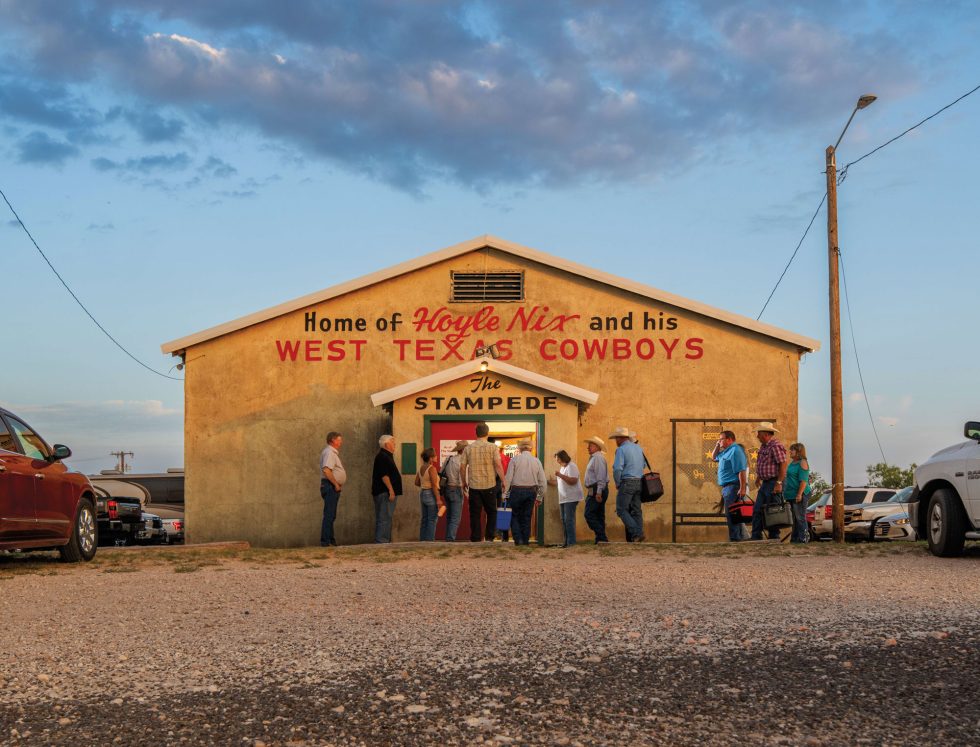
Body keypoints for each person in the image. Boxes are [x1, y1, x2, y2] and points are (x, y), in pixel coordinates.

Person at [461, 423, 506, 542]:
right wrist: (503, 481)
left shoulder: (468, 448)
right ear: (487, 433)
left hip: (474, 486)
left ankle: (475, 538)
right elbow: (498, 465)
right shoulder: (493, 447)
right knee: (492, 512)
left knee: (475, 514)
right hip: (489, 485)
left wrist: (463, 482)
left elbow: (462, 467)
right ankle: (489, 537)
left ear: (476, 433)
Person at [503, 438, 547, 545]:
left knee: (514, 515)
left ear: (520, 448)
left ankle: (518, 540)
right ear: (530, 449)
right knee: (527, 517)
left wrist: (504, 494)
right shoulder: (537, 461)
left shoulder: (514, 460)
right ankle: (525, 541)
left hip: (516, 491)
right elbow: (543, 482)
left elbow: (508, 478)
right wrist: (539, 497)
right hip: (531, 491)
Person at [752, 422, 788, 540]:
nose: (757, 436)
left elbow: (783, 464)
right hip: (766, 483)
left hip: (774, 482)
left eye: (759, 433)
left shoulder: (775, 446)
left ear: (766, 434)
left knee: (773, 510)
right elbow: (762, 463)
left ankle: (774, 537)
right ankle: (756, 536)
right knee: (758, 509)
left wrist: (779, 483)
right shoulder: (764, 446)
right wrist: (759, 477)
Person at [609, 426, 646, 542]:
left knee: (621, 509)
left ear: (620, 438)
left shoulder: (621, 450)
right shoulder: (638, 448)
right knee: (636, 510)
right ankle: (639, 534)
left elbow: (617, 469)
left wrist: (618, 482)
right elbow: (643, 465)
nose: (615, 441)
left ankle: (637, 532)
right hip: (639, 481)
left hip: (627, 481)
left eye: (616, 438)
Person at [711, 430, 748, 542]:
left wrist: (742, 488)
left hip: (733, 487)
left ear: (729, 439)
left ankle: (735, 539)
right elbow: (713, 457)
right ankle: (735, 538)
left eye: (721, 439)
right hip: (727, 488)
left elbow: (741, 470)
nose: (719, 441)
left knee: (732, 514)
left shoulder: (735, 450)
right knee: (730, 514)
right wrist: (717, 444)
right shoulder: (726, 451)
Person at [371, 435, 402, 543]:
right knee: (384, 518)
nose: (395, 444)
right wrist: (391, 490)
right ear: (387, 444)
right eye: (393, 442)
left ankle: (383, 540)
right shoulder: (383, 456)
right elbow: (384, 475)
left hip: (384, 492)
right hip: (384, 493)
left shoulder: (386, 456)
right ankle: (381, 541)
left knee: (385, 517)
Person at [319, 431, 346, 547]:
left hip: (331, 486)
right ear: (332, 440)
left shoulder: (332, 453)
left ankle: (330, 540)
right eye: (339, 440)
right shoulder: (329, 452)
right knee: (329, 514)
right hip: (330, 486)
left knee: (331, 514)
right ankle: (326, 542)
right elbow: (326, 470)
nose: (341, 442)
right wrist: (335, 484)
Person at [553, 450, 584, 547]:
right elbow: (560, 482)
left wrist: (560, 475)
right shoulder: (563, 468)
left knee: (569, 520)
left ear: (562, 457)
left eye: (557, 458)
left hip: (571, 497)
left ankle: (571, 543)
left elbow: (573, 481)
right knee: (564, 520)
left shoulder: (572, 466)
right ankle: (566, 542)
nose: (557, 460)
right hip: (563, 497)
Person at [582, 436, 610, 544]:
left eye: (591, 445)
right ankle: (600, 539)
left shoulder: (598, 458)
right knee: (598, 514)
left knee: (589, 514)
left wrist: (598, 492)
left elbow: (601, 476)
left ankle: (602, 537)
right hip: (596, 488)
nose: (588, 447)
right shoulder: (595, 457)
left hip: (597, 489)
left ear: (597, 447)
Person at [414, 447, 444, 541]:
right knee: (432, 520)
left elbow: (416, 482)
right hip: (431, 493)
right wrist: (438, 499)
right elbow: (434, 486)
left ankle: (423, 540)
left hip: (423, 493)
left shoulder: (421, 468)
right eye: (435, 455)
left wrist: (425, 484)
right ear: (431, 458)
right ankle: (430, 542)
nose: (436, 457)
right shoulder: (432, 469)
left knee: (424, 519)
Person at [441, 440, 467, 541]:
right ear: (464, 450)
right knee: (455, 518)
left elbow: (441, 472)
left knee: (449, 516)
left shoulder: (448, 458)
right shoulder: (462, 461)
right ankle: (450, 539)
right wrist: (465, 491)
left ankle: (448, 538)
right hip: (456, 489)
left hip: (447, 488)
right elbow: (461, 480)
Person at [785, 442, 811, 544]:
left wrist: (799, 494)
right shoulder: (792, 463)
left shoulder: (802, 462)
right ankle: (795, 539)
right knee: (794, 519)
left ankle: (803, 538)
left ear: (798, 452)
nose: (790, 451)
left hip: (800, 494)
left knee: (800, 517)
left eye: (792, 450)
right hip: (791, 494)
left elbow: (803, 481)